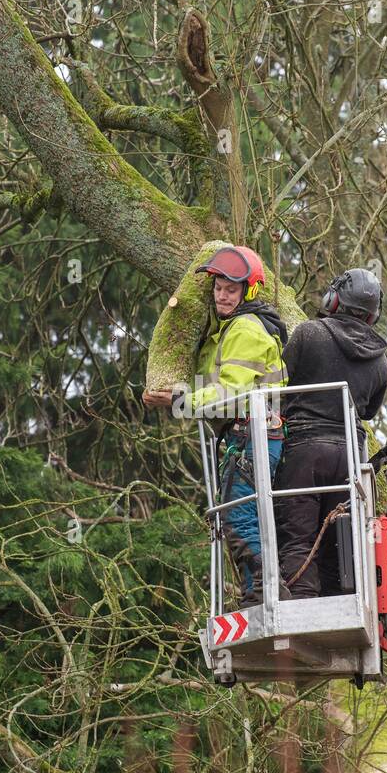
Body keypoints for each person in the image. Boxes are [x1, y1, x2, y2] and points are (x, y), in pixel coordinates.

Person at [143, 245, 288, 606]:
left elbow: (232, 392)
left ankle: (265, 594)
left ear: (248, 291)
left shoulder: (246, 329)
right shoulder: (227, 329)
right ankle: (260, 592)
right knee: (237, 515)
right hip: (244, 436)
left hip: (254, 433)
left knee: (240, 516)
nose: (222, 296)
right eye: (219, 288)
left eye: (231, 289)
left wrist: (179, 401)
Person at [273, 267, 387, 598]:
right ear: (372, 314)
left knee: (298, 535)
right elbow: (368, 411)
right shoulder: (380, 359)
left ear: (334, 299)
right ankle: (341, 605)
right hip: (351, 457)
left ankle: (303, 606)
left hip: (305, 450)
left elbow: (277, 383)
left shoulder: (309, 333)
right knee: (341, 540)